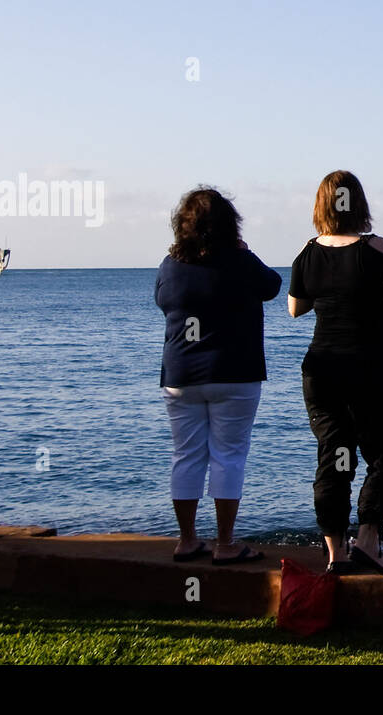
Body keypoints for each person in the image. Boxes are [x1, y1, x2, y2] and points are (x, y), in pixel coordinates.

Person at [289, 170, 383, 576]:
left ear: (322, 206)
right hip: (370, 368)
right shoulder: (376, 248)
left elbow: (296, 308)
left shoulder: (307, 252)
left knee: (335, 454)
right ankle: (369, 539)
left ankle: (335, 554)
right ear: (358, 204)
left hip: (323, 370)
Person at [155, 186, 281, 565]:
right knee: (228, 456)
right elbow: (273, 286)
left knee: (186, 456)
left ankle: (187, 540)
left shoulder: (171, 266)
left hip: (181, 374)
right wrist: (244, 253)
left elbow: (162, 301)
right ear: (230, 224)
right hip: (234, 372)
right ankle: (225, 544)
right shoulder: (240, 263)